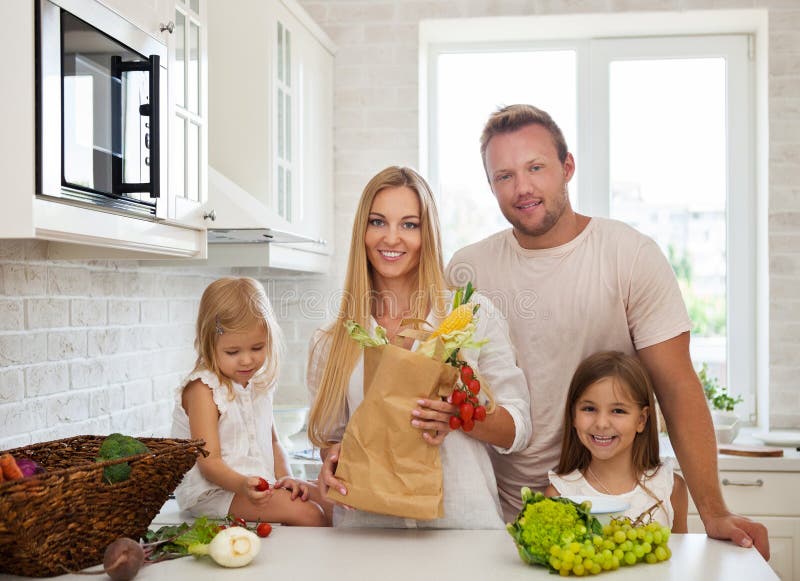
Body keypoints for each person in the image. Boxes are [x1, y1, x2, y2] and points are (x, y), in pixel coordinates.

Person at [445, 104, 768, 557]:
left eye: (536, 167)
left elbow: (675, 386)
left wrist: (713, 510)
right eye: (504, 176)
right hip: (491, 514)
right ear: (490, 185)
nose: (522, 188)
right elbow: (440, 382)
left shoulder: (628, 256)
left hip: (612, 513)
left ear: (567, 167)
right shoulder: (467, 269)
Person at [306, 166, 532, 528]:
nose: (391, 238)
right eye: (378, 222)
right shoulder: (332, 342)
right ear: (362, 232)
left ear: (427, 234)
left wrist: (461, 418)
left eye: (409, 224)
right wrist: (331, 458)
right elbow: (333, 440)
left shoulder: (472, 315)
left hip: (462, 534)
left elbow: (518, 429)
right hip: (369, 537)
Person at [172, 277, 330, 526]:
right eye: (233, 352)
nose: (247, 360)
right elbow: (209, 463)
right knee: (308, 513)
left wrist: (286, 478)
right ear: (208, 343)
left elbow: (274, 441)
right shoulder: (203, 389)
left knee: (333, 505)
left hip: (256, 484)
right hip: (215, 493)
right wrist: (242, 485)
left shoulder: (258, 383)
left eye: (257, 348)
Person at [545, 351, 687, 532]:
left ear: (641, 420)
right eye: (589, 408)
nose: (602, 424)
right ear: (573, 416)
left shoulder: (670, 488)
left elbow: (681, 558)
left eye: (618, 411)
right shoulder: (559, 495)